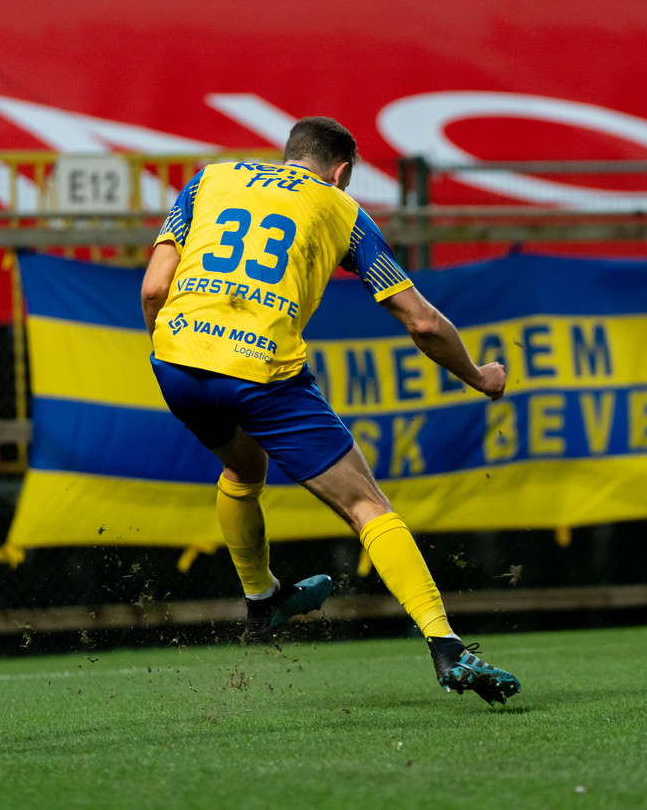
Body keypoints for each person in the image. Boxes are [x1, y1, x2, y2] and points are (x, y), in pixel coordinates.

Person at [139, 116, 520, 705]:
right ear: (341, 172)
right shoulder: (343, 211)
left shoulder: (208, 180)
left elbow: (153, 289)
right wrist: (477, 375)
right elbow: (421, 321)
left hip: (176, 361)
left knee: (242, 468)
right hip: (262, 372)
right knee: (367, 506)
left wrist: (177, 355)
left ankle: (261, 599)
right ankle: (446, 645)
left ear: (287, 154)